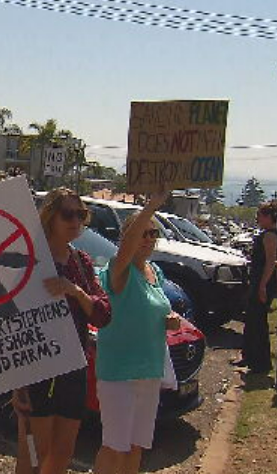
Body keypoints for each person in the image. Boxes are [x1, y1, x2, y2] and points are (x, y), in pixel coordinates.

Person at [12, 187, 112, 474]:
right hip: (39, 369)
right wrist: (19, 384)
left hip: (74, 367)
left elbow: (104, 314)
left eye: (81, 215)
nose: (76, 221)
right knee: (32, 454)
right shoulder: (29, 260)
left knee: (62, 455)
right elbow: (14, 323)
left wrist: (76, 292)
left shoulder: (82, 262)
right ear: (50, 217)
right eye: (68, 214)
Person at [93, 187, 181, 474]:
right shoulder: (117, 271)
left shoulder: (155, 272)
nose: (147, 239)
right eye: (142, 233)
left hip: (149, 372)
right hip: (119, 373)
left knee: (136, 447)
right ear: (127, 238)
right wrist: (149, 209)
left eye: (152, 234)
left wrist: (168, 318)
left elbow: (154, 308)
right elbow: (126, 251)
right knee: (114, 447)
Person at [233, 201, 277, 374]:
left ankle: (260, 362)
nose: (257, 219)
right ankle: (249, 356)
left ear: (269, 217)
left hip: (264, 281)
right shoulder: (265, 234)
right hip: (256, 279)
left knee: (258, 322)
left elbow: (270, 262)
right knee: (252, 319)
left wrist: (262, 286)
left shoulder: (270, 236)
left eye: (260, 216)